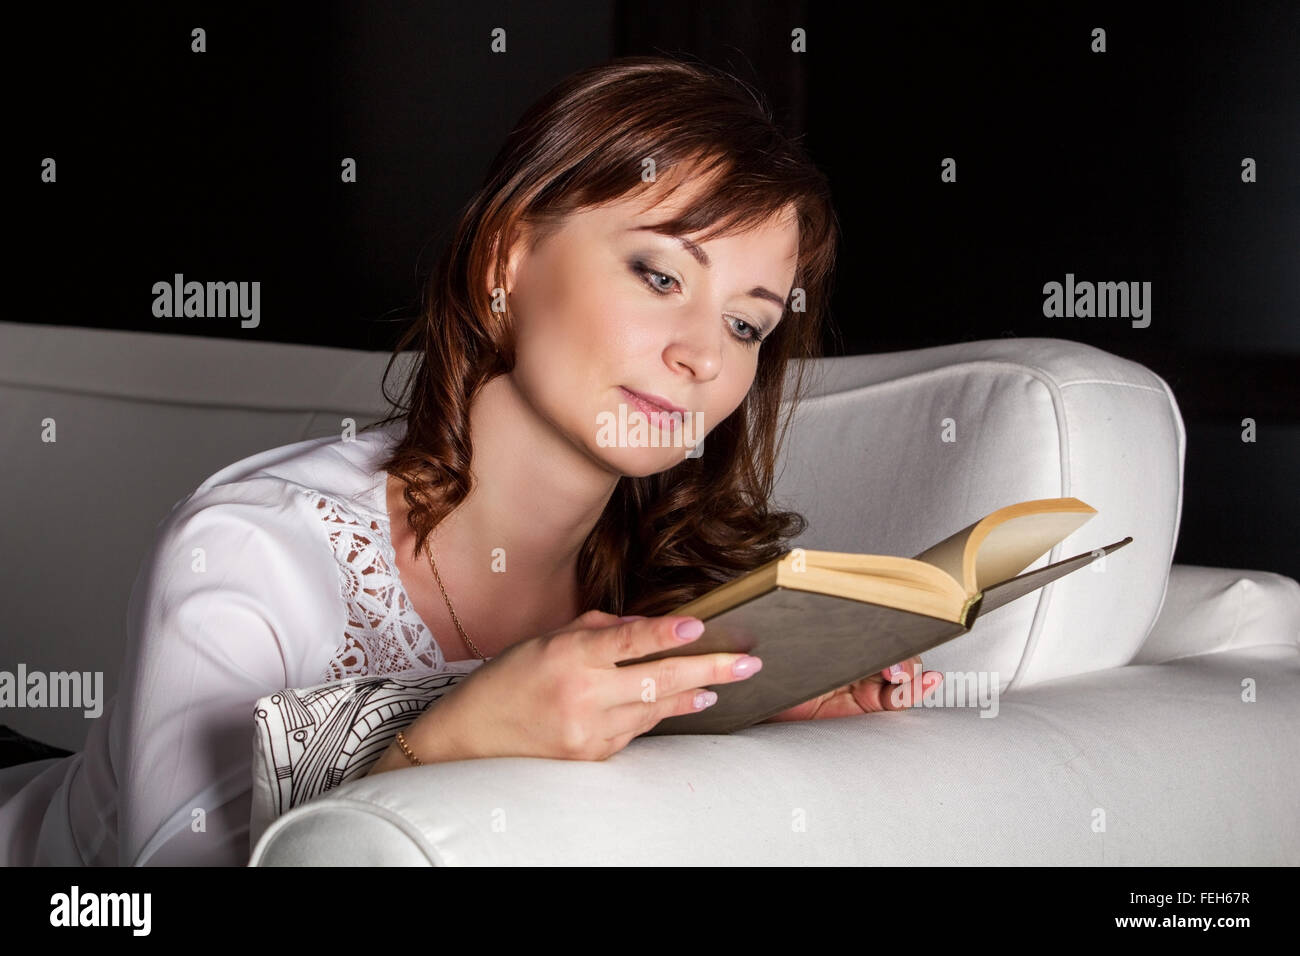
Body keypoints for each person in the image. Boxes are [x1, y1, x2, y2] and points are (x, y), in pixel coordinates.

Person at [0, 55, 940, 866]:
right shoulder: (254, 551)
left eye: (746, 324)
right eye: (660, 276)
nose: (703, 354)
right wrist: (447, 745)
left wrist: (763, 717)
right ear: (505, 258)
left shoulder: (687, 583)